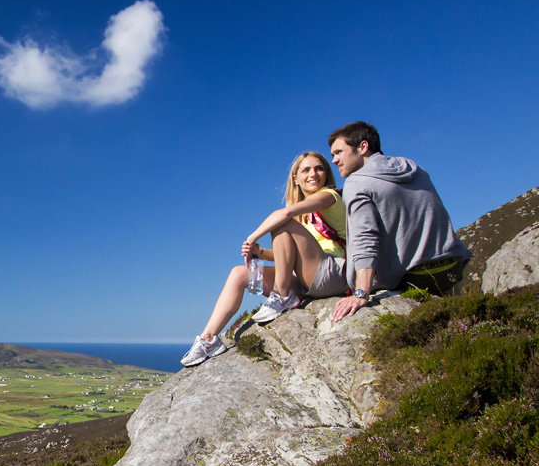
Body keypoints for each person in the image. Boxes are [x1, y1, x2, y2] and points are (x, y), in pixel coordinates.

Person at [181, 151, 351, 367]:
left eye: (319, 168)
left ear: (326, 174)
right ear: (295, 179)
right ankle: (208, 339)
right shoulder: (301, 216)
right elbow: (291, 255)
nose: (313, 174)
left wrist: (252, 238)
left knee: (280, 222)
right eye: (306, 170)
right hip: (306, 280)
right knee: (239, 274)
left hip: (332, 274)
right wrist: (261, 253)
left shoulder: (330, 196)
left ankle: (281, 295)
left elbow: (283, 216)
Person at [327, 121, 473, 322]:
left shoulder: (356, 182)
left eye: (338, 152)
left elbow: (365, 238)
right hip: (452, 265)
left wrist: (361, 292)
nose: (334, 160)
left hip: (415, 276)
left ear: (362, 147)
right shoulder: (413, 168)